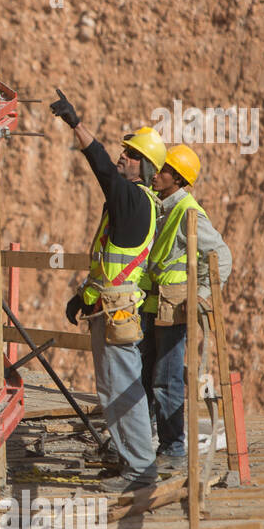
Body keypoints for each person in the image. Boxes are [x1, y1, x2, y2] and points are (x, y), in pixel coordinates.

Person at [50, 88, 163, 492]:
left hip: (118, 315)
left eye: (132, 156)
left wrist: (75, 124)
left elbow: (101, 169)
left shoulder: (133, 200)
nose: (123, 157)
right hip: (109, 309)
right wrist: (83, 296)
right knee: (112, 389)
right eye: (124, 151)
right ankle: (128, 459)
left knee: (121, 390)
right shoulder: (130, 201)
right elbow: (108, 266)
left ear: (146, 169)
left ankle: (139, 471)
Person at [138, 144, 233, 471]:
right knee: (144, 377)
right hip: (154, 305)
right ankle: (143, 443)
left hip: (175, 309)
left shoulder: (187, 210)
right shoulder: (162, 206)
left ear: (177, 179)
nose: (155, 174)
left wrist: (201, 295)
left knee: (166, 380)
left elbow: (221, 255)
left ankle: (174, 449)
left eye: (162, 170)